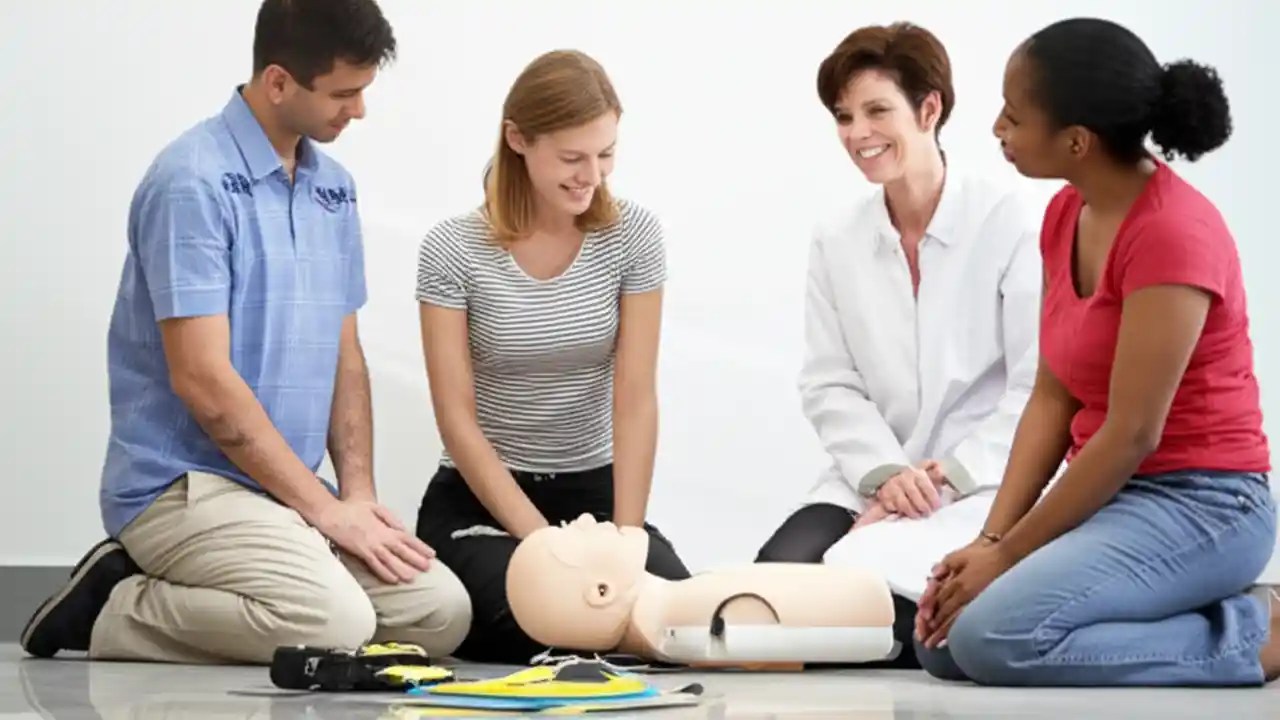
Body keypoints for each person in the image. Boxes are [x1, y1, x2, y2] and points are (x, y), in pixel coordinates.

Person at [20, 0, 472, 665]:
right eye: (344, 94)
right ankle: (118, 608)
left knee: (440, 612)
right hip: (183, 486)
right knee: (333, 621)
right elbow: (203, 381)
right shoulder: (191, 183)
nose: (359, 111)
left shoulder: (333, 191)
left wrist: (358, 497)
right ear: (279, 82)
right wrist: (321, 510)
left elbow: (345, 358)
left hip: (282, 492)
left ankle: (277, 578)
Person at [913, 17, 1279, 687]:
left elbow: (1133, 433)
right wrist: (990, 543)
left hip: (1207, 506)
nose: (997, 127)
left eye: (1014, 116)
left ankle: (1256, 636)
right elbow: (1054, 395)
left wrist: (1011, 556)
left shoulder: (1173, 233)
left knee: (995, 638)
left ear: (1076, 141)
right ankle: (1182, 608)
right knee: (943, 643)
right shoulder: (1065, 215)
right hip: (1116, 498)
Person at [753, 22, 1043, 666]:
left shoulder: (1009, 221)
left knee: (902, 613)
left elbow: (1038, 383)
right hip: (873, 475)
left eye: (877, 110)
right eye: (844, 116)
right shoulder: (838, 237)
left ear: (929, 107)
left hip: (981, 481)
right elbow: (829, 381)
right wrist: (886, 475)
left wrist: (950, 475)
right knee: (768, 593)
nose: (858, 133)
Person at [414, 49, 692, 664]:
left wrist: (625, 538)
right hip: (484, 502)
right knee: (543, 615)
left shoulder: (633, 236)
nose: (591, 175)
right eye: (572, 157)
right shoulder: (451, 248)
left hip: (593, 497)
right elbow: (456, 420)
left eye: (606, 154)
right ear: (517, 138)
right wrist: (543, 545)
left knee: (676, 613)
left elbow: (635, 395)